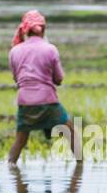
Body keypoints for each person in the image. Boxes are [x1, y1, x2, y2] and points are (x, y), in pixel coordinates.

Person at [7, 10, 82, 165]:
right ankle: (80, 167)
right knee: (71, 133)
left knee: (20, 140)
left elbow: (16, 79)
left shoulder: (14, 51)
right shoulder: (50, 49)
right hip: (48, 101)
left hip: (25, 101)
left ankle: (11, 167)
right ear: (44, 29)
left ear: (25, 30)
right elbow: (59, 79)